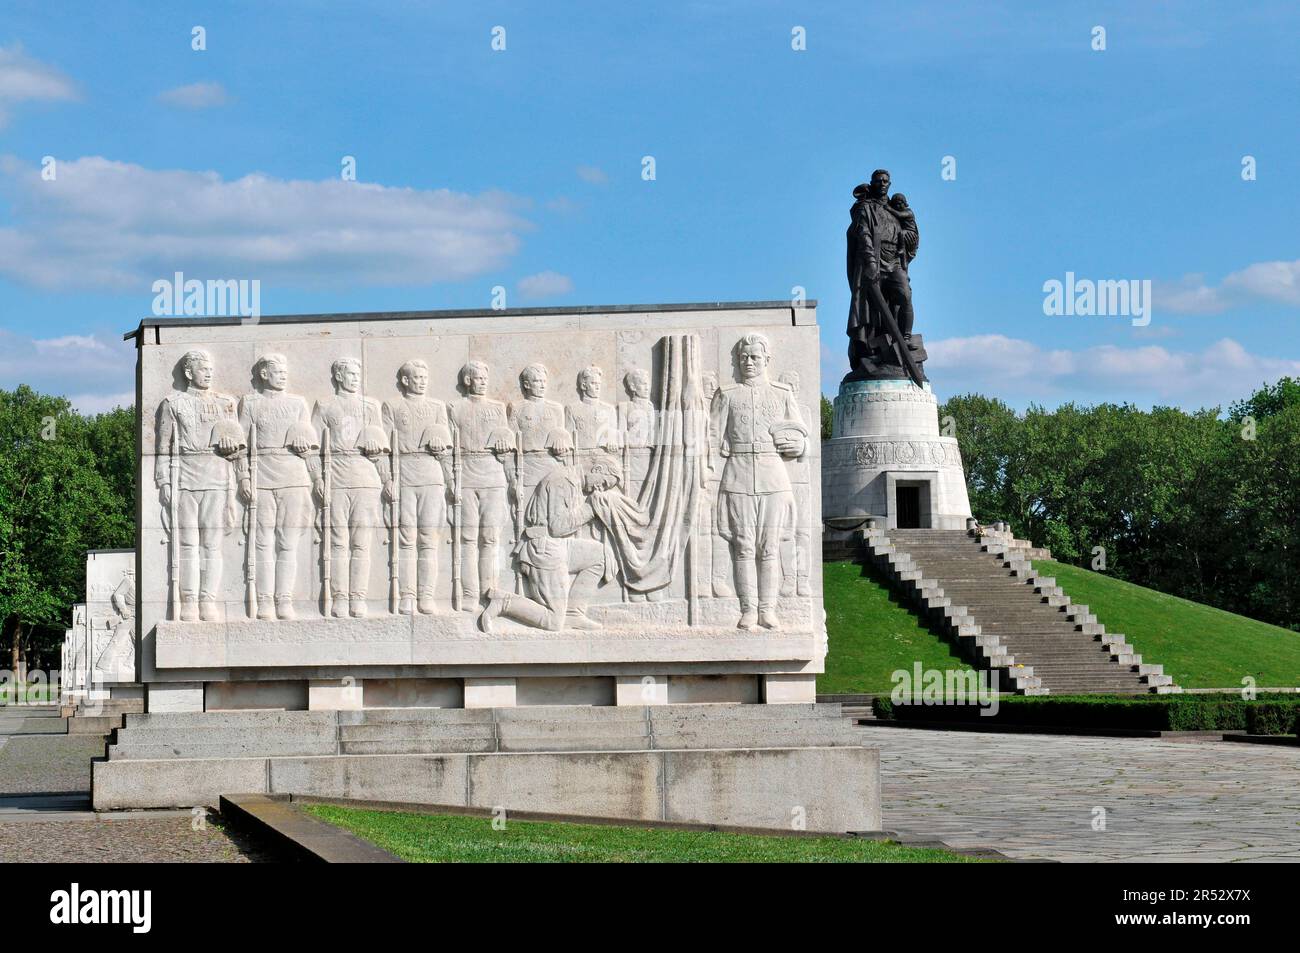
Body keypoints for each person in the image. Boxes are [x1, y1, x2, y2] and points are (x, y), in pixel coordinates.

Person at [477, 453, 622, 633]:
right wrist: (590, 508)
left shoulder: (575, 481)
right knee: (553, 622)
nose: (600, 489)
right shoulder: (563, 480)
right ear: (597, 469)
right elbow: (558, 527)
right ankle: (505, 602)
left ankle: (573, 613)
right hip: (544, 548)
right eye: (604, 483)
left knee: (601, 555)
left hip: (560, 545)